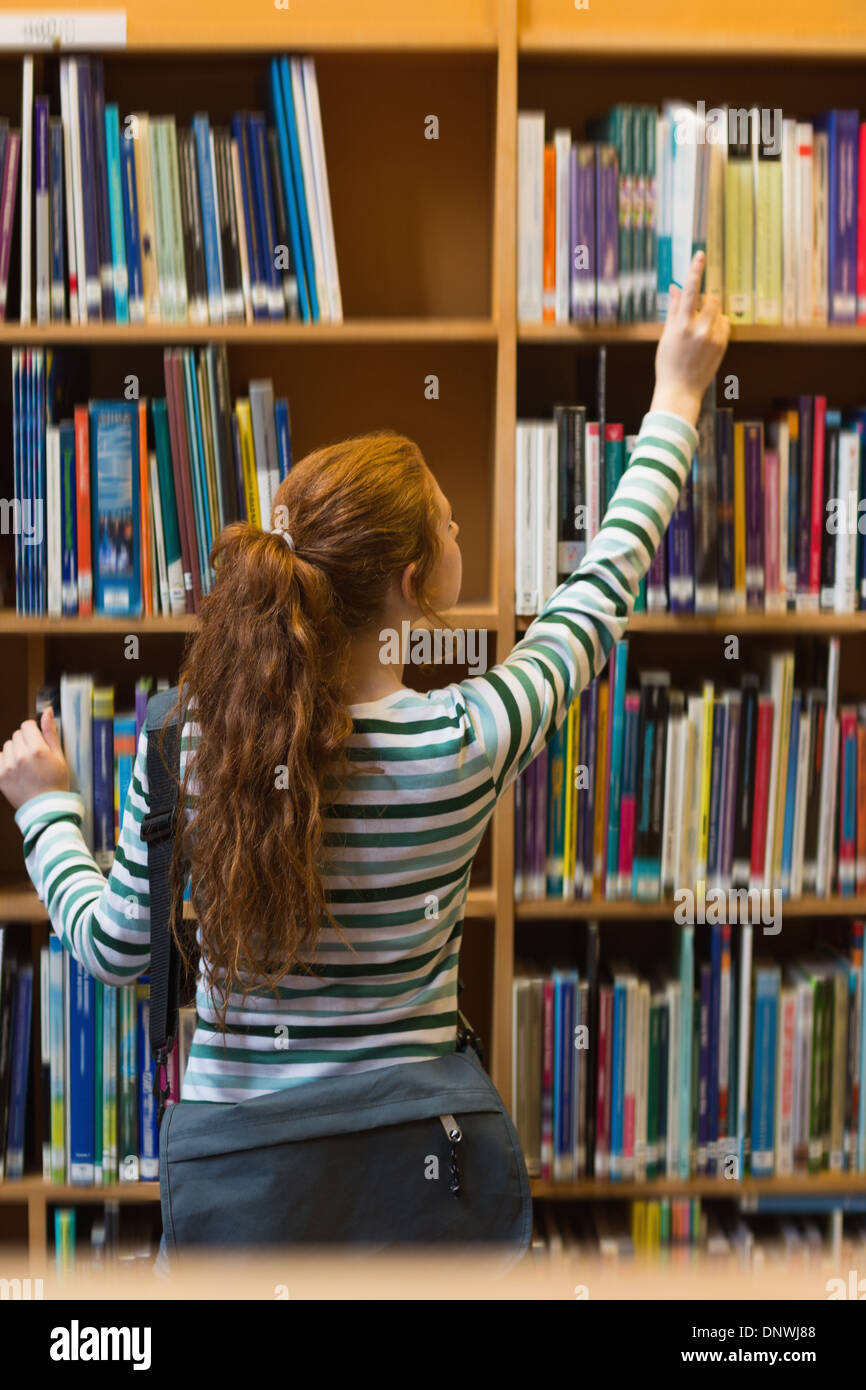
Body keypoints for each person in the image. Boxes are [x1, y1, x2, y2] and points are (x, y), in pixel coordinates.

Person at [0, 251, 728, 1235]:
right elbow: (598, 592)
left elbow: (119, 948)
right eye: (449, 516)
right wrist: (674, 399)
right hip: (417, 1184)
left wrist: (46, 807)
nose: (463, 522)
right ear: (415, 579)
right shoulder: (465, 736)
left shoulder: (188, 744)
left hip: (241, 1188)